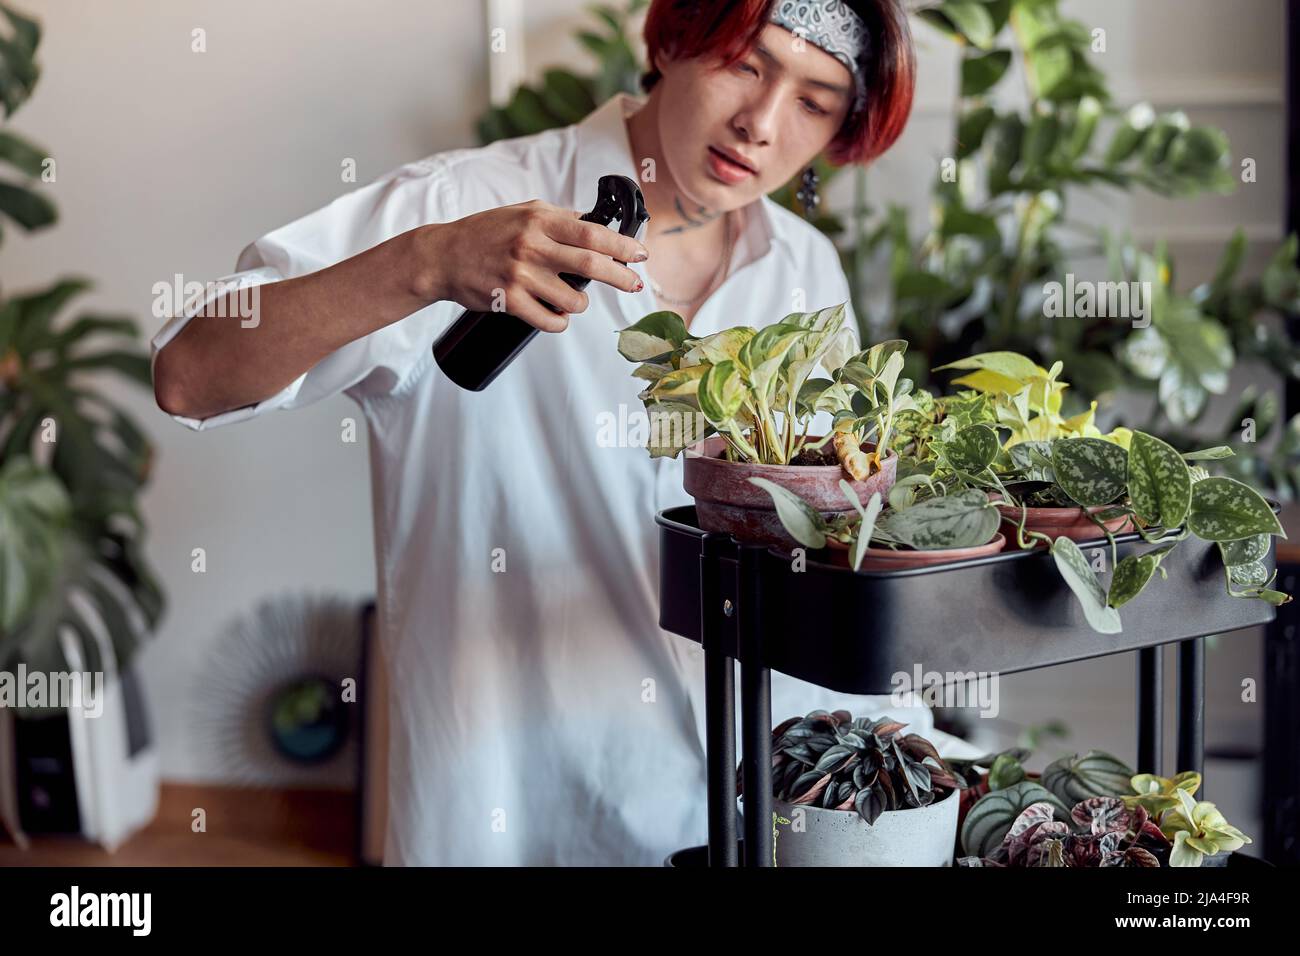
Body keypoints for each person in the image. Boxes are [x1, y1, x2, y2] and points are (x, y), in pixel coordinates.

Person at [152, 0, 938, 865]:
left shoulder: (804, 269)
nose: (762, 122)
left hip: (743, 813)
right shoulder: (464, 204)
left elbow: (828, 538)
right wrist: (426, 263)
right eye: (746, 65)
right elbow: (190, 374)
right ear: (677, 39)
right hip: (515, 811)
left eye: (815, 102)